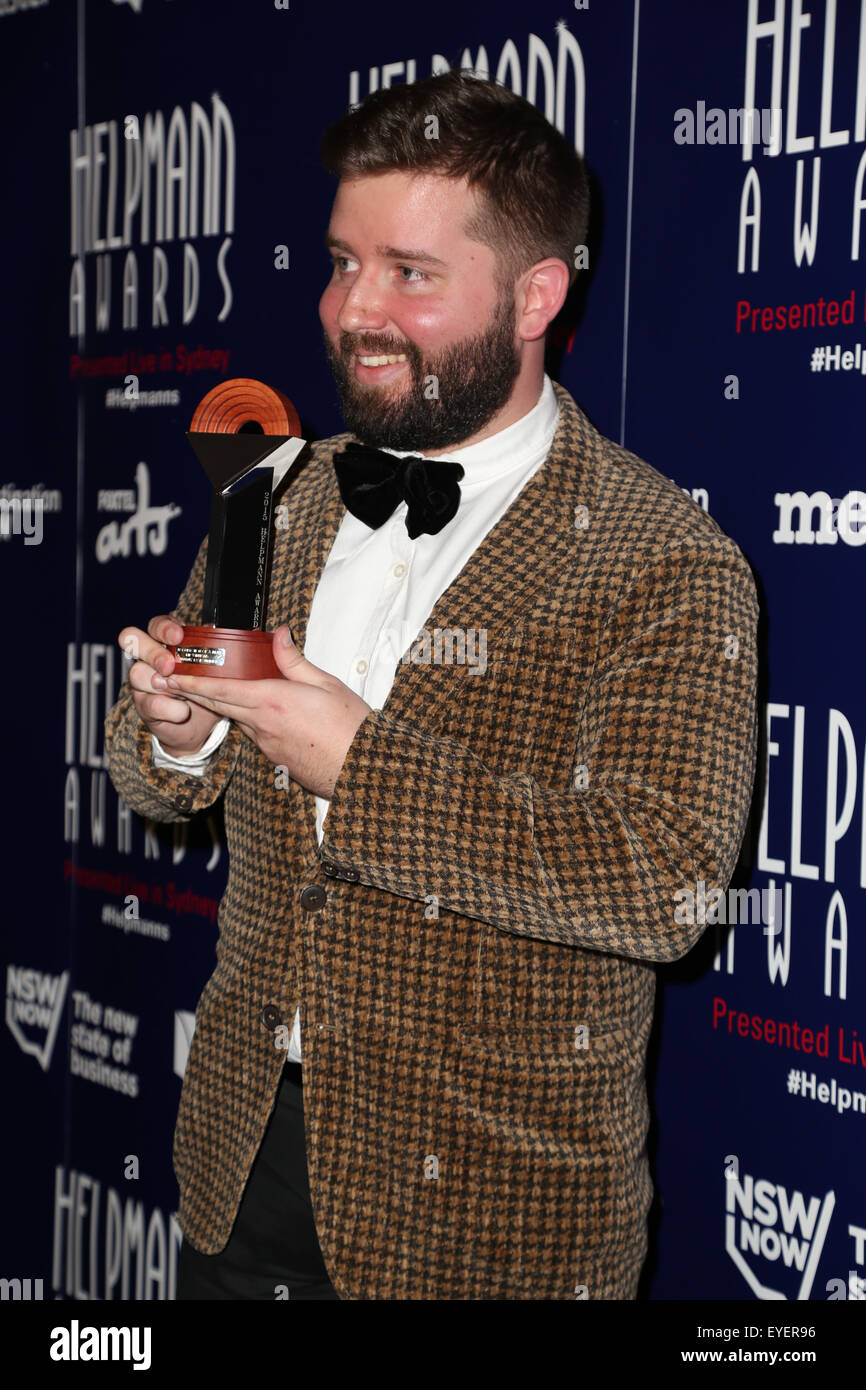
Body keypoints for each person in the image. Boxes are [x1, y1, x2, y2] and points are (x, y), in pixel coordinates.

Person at [104, 69, 758, 1300]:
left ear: (535, 295)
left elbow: (661, 880)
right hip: (241, 1172)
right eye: (341, 262)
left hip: (490, 1226)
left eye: (408, 272)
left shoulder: (662, 559)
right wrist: (180, 732)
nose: (353, 309)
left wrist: (356, 763)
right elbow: (153, 775)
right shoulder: (277, 491)